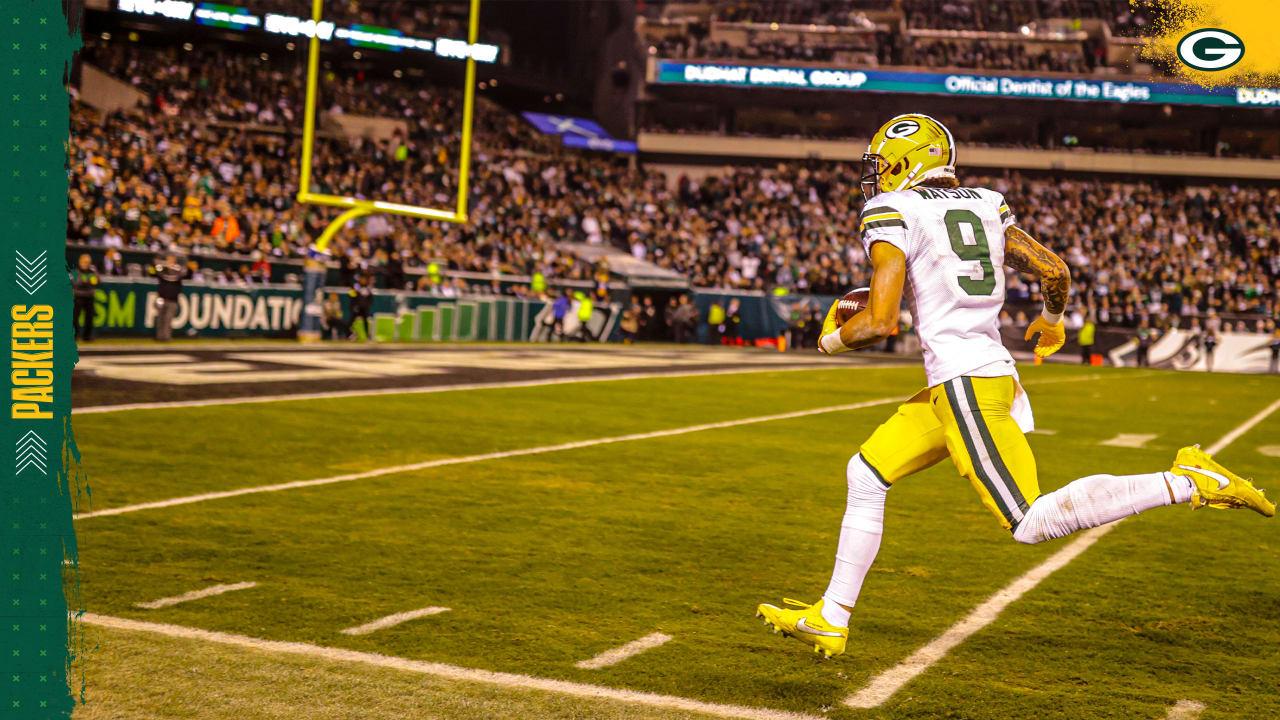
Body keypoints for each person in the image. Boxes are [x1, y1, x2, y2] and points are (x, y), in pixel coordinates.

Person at [755, 113, 1274, 659]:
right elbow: (1054, 271)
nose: (876, 176)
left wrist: (828, 341)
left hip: (964, 383)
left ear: (910, 162)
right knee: (865, 473)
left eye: (882, 165)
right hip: (976, 375)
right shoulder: (986, 202)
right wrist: (1051, 320)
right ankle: (830, 618)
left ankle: (1186, 482)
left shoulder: (891, 209)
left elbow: (881, 323)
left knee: (1030, 521)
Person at [150, 253, 188, 342]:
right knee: (160, 318)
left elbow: (186, 275)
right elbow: (152, 272)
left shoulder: (178, 272)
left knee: (168, 319)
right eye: (169, 259)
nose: (170, 261)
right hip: (162, 298)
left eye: (172, 259)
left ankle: (166, 337)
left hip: (172, 299)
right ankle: (159, 337)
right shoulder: (163, 270)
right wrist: (155, 264)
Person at [70, 253, 99, 342]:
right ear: (80, 262)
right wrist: (87, 280)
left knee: (89, 317)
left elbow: (97, 281)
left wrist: (86, 281)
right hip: (79, 297)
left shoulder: (93, 270)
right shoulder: (75, 271)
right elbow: (76, 282)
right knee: (75, 317)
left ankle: (87, 336)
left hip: (90, 297)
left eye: (88, 262)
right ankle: (74, 336)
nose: (86, 263)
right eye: (84, 262)